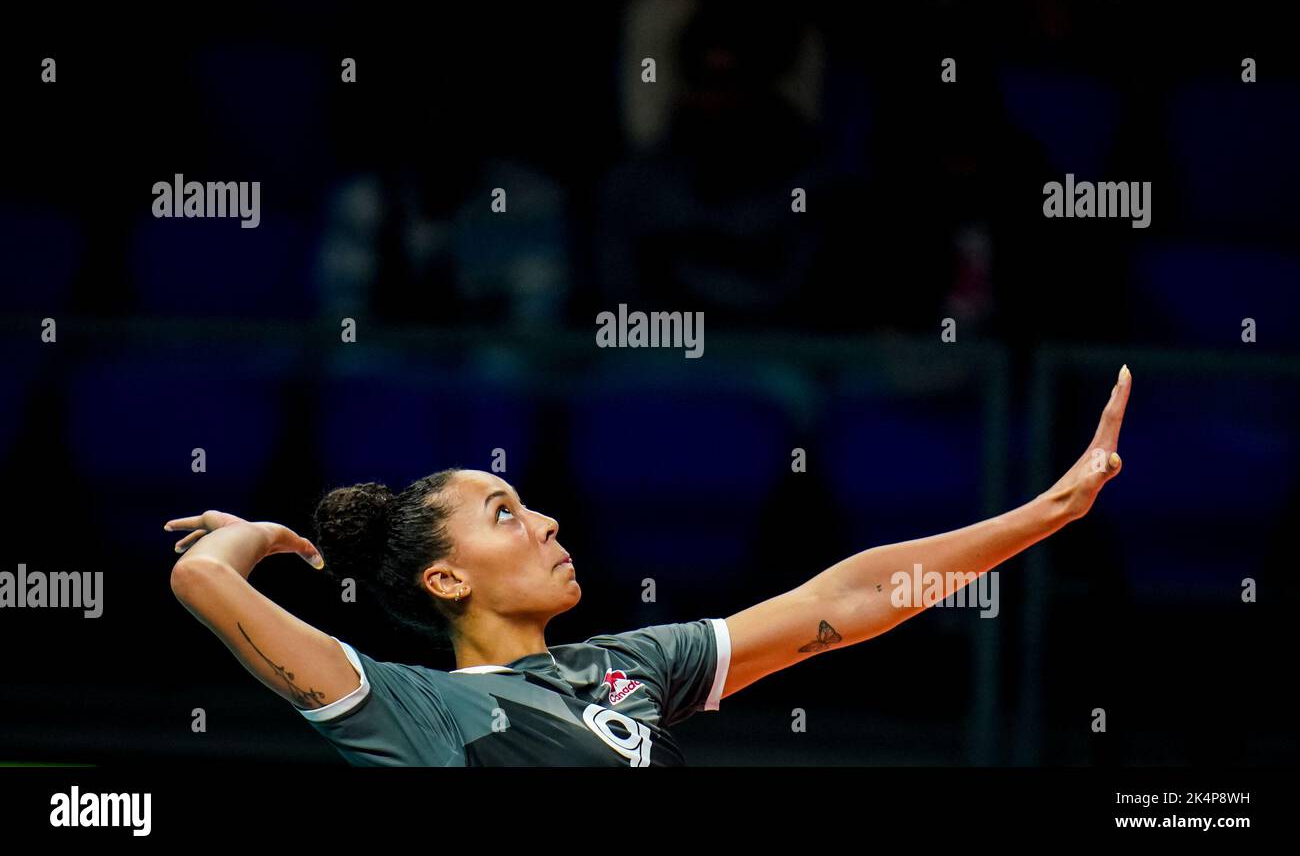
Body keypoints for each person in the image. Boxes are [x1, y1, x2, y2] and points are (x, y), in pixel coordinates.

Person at [168, 366, 1132, 765]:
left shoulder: (624, 668)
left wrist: (1045, 515)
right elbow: (203, 580)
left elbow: (849, 597)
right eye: (505, 513)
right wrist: (263, 532)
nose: (545, 521)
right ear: (446, 579)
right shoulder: (408, 711)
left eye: (531, 503)